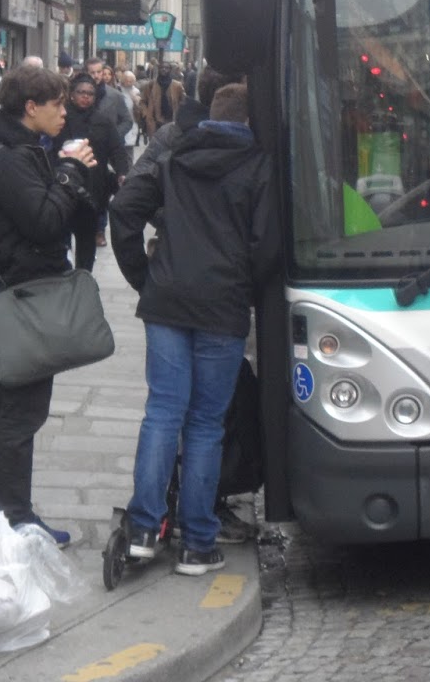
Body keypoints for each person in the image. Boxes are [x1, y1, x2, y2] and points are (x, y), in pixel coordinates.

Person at [109, 82, 277, 575]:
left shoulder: (173, 155)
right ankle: (198, 544)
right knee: (205, 424)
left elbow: (123, 210)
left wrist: (144, 276)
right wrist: (246, 288)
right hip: (222, 308)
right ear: (249, 123)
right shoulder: (258, 166)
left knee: (162, 412)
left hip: (168, 301)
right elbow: (266, 244)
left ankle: (143, 530)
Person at [0, 64, 98, 545]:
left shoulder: (16, 149)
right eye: (56, 104)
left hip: (20, 292)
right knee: (20, 411)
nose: (65, 111)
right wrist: (70, 171)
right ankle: (14, 516)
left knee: (2, 404)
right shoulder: (12, 158)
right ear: (30, 108)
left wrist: (69, 174)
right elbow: (43, 223)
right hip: (24, 295)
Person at [60, 71, 130, 268]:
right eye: (81, 92)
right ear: (72, 94)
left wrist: (122, 172)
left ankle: (84, 279)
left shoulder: (102, 121)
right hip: (63, 188)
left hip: (92, 188)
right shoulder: (61, 118)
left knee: (86, 243)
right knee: (61, 242)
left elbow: (117, 150)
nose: (85, 96)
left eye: (90, 93)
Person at [140, 62, 185, 139]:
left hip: (172, 121)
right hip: (155, 121)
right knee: (156, 145)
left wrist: (181, 115)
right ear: (158, 69)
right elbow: (142, 101)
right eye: (162, 68)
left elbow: (184, 101)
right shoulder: (150, 85)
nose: (164, 70)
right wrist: (146, 114)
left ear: (170, 70)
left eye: (166, 68)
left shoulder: (177, 86)